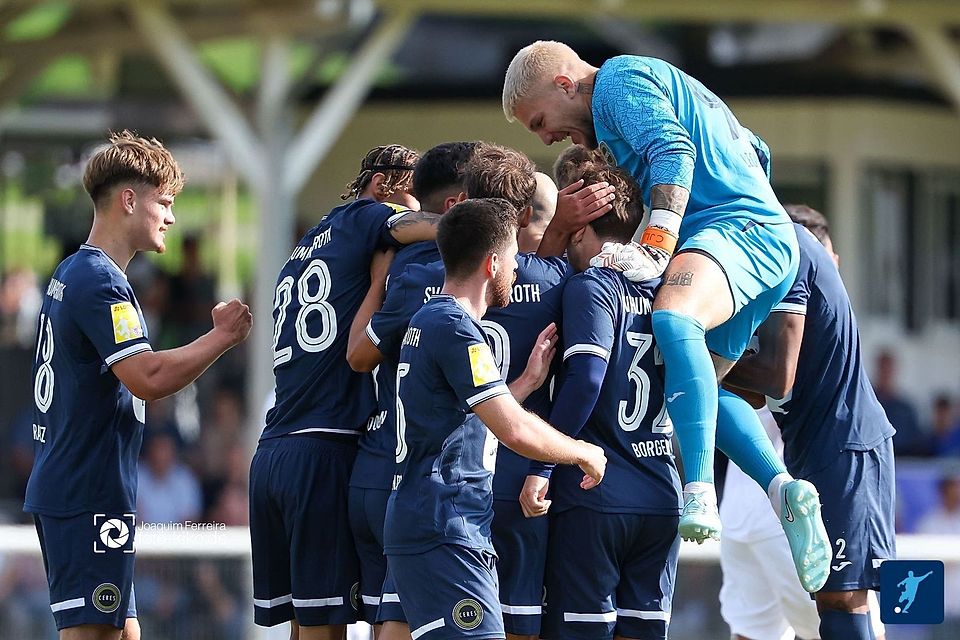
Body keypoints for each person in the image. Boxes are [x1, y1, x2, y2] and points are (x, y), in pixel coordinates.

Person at [501, 43, 829, 592]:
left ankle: (698, 489)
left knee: (674, 321)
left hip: (736, 232)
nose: (545, 138)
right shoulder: (646, 88)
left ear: (564, 84)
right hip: (747, 237)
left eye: (539, 122)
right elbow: (756, 148)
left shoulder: (615, 84)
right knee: (692, 381)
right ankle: (782, 490)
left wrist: (656, 246)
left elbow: (673, 153)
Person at [24, 130, 252, 640]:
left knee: (125, 632)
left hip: (88, 489)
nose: (171, 217)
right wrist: (219, 338)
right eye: (165, 202)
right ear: (130, 200)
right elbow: (147, 377)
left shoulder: (77, 272)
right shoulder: (97, 280)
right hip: (86, 495)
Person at [352, 142, 582, 640]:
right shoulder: (455, 323)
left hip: (431, 513)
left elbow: (458, 411)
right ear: (491, 264)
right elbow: (513, 429)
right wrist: (581, 452)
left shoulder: (424, 304)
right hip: (446, 518)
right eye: (514, 256)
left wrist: (520, 384)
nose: (519, 267)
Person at [249, 144, 442, 640]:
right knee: (325, 632)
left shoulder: (306, 245)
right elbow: (409, 229)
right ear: (382, 186)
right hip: (323, 447)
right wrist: (478, 230)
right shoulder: (366, 217)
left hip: (275, 449)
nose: (417, 211)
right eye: (412, 197)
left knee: (304, 624)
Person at [523, 160, 682, 640]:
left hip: (597, 497)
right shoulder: (668, 283)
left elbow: (588, 379)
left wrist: (543, 464)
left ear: (579, 230)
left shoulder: (591, 283)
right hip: (661, 494)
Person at [724, 205, 896, 640]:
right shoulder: (792, 287)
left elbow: (767, 385)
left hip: (763, 500)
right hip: (792, 492)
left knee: (766, 629)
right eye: (830, 258)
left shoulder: (801, 310)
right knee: (868, 612)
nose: (833, 267)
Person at [345, 141, 477, 634]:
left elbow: (360, 353)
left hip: (371, 465)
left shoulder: (398, 261)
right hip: (425, 484)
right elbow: (358, 355)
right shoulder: (445, 269)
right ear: (456, 207)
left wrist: (377, 281)